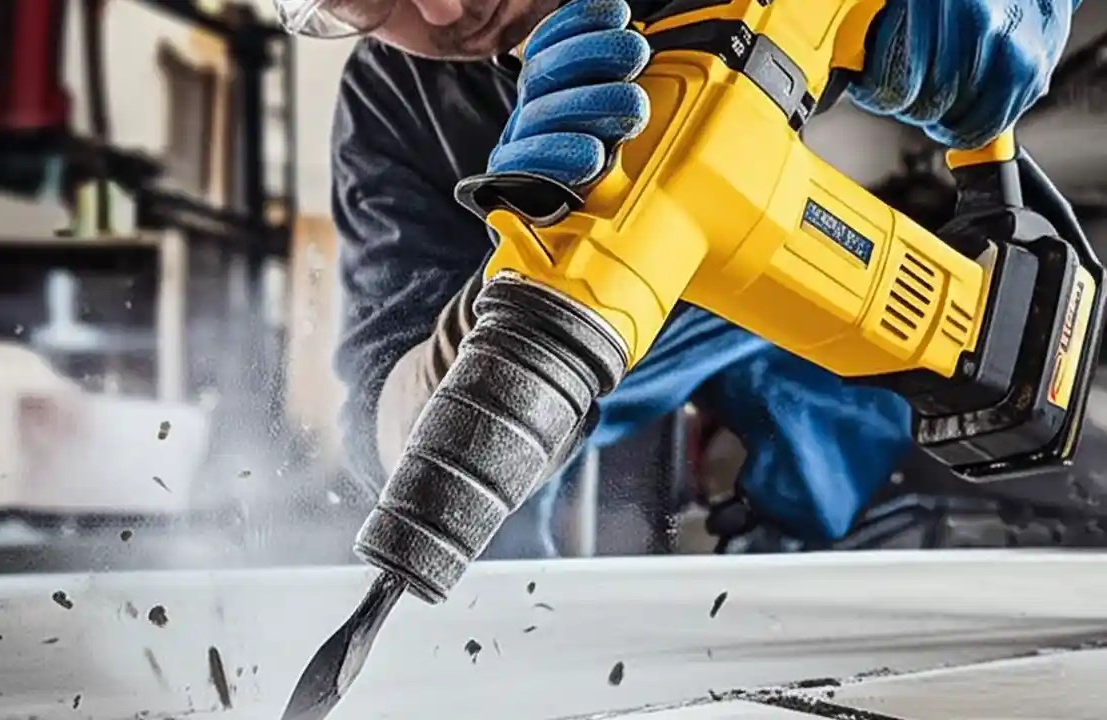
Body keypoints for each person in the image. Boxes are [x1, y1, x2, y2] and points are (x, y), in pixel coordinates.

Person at [285, 0, 1082, 551]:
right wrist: (521, 296)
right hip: (647, 417)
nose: (446, 12)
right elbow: (379, 436)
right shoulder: (394, 99)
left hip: (933, 402)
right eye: (367, 2)